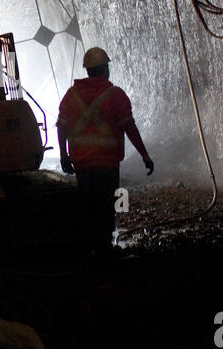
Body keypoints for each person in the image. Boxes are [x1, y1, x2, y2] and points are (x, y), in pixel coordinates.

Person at [57, 47, 154, 256]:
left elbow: (62, 126)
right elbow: (129, 127)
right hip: (107, 163)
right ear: (104, 69)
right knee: (107, 204)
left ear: (88, 70)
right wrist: (145, 155)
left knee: (88, 205)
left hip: (82, 163)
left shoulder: (71, 96)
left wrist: (64, 155)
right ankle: (105, 248)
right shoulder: (115, 95)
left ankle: (91, 247)